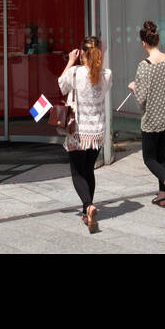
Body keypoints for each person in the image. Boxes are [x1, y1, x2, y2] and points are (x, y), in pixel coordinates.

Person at [58, 35, 111, 233]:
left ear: (82, 53)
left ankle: (88, 206)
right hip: (97, 132)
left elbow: (61, 85)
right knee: (89, 170)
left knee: (77, 172)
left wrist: (71, 60)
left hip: (78, 131)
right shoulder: (106, 74)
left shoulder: (75, 73)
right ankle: (86, 212)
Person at [128, 20, 165, 211]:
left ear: (144, 43)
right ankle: (162, 196)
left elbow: (141, 98)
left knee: (149, 158)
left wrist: (134, 87)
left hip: (152, 119)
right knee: (161, 155)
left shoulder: (144, 65)